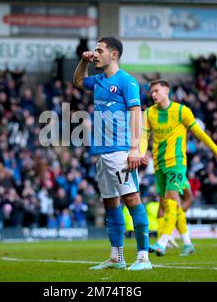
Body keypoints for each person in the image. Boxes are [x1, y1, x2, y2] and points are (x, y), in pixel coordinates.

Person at [73, 36, 151, 270]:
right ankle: (116, 258)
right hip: (102, 153)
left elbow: (136, 113)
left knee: (132, 199)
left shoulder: (127, 81)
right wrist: (83, 61)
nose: (95, 54)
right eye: (94, 50)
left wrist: (135, 148)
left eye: (99, 50)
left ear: (113, 55)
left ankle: (143, 258)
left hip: (120, 152)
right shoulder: (97, 80)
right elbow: (78, 81)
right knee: (110, 204)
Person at [140, 79, 217, 256]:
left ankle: (162, 242)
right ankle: (188, 244)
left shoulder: (181, 111)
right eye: (152, 92)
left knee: (172, 201)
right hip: (158, 164)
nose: (153, 95)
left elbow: (200, 134)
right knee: (171, 204)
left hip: (176, 163)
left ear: (167, 90)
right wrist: (142, 152)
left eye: (157, 91)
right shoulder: (148, 113)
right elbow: (143, 137)